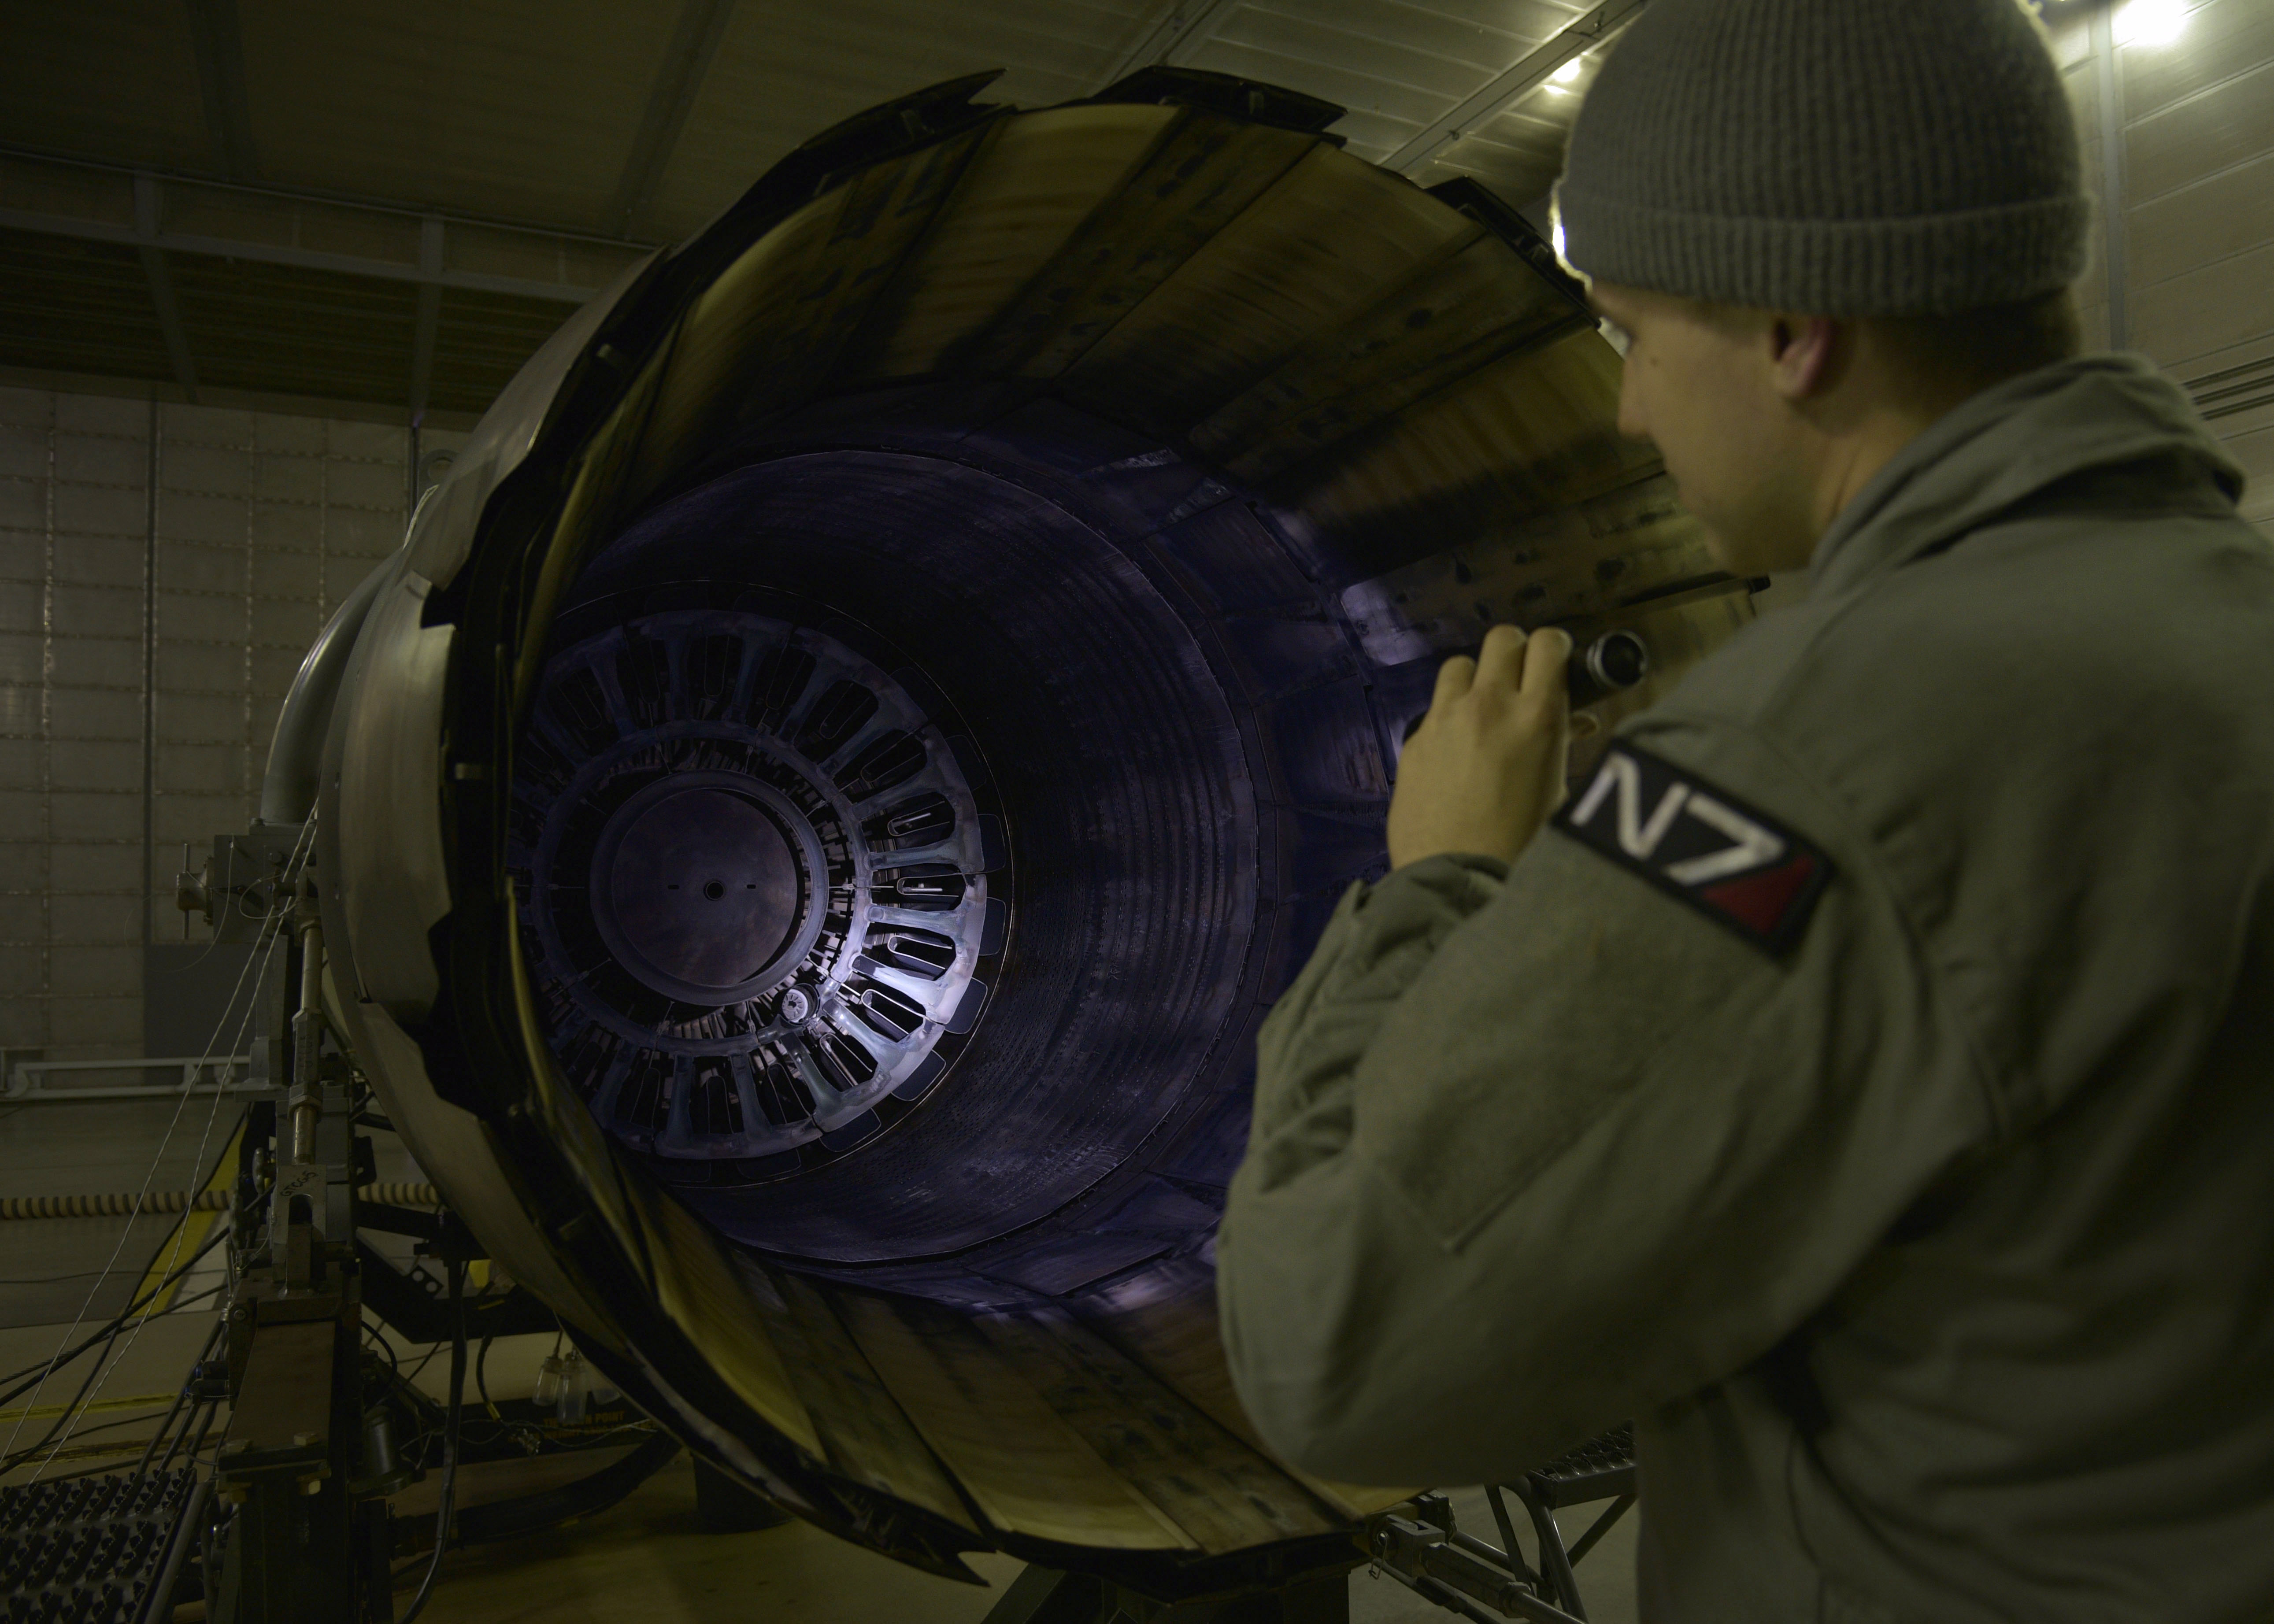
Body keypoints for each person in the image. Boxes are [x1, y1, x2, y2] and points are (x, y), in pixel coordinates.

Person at [1213, 0, 2274, 1618]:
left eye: (1632, 335)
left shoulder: (1805, 763)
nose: (1628, 411)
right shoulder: (2227, 627)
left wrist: (1438, 884)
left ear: (1792, 333)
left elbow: (1338, 1357)